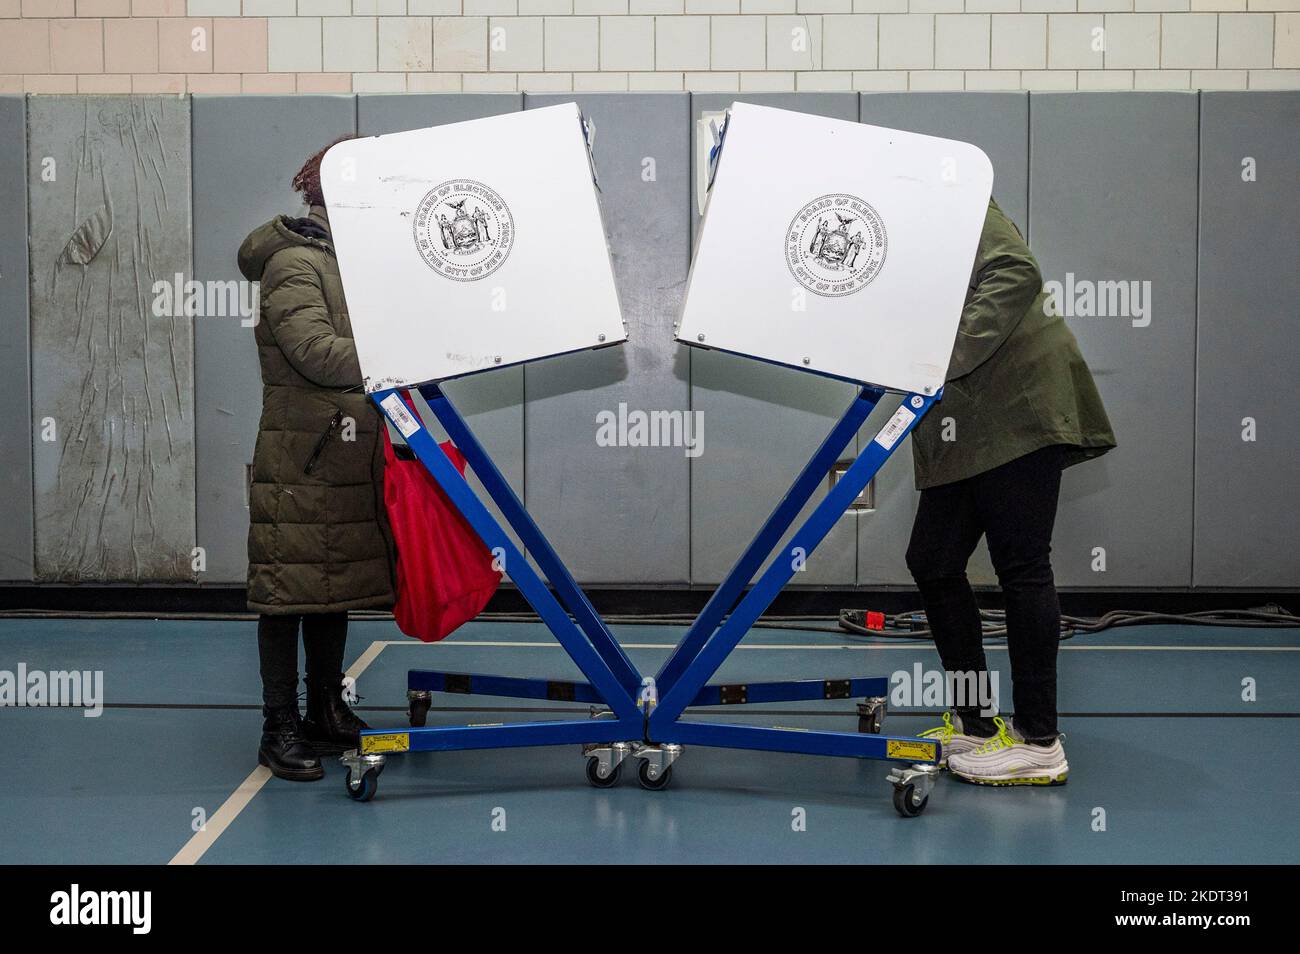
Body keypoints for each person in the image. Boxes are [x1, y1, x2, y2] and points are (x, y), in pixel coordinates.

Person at [907, 198, 1116, 786]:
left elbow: (1014, 270)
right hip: (969, 421)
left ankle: (1039, 742)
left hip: (1016, 408)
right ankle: (976, 723)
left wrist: (936, 359)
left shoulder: (957, 198)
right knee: (933, 559)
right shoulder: (897, 233)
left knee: (1022, 565)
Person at [237, 137, 396, 782]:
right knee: (287, 591)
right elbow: (314, 352)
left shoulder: (345, 262)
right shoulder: (296, 263)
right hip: (300, 459)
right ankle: (279, 727)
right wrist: (398, 350)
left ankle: (325, 710)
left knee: (331, 587)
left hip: (341, 455)